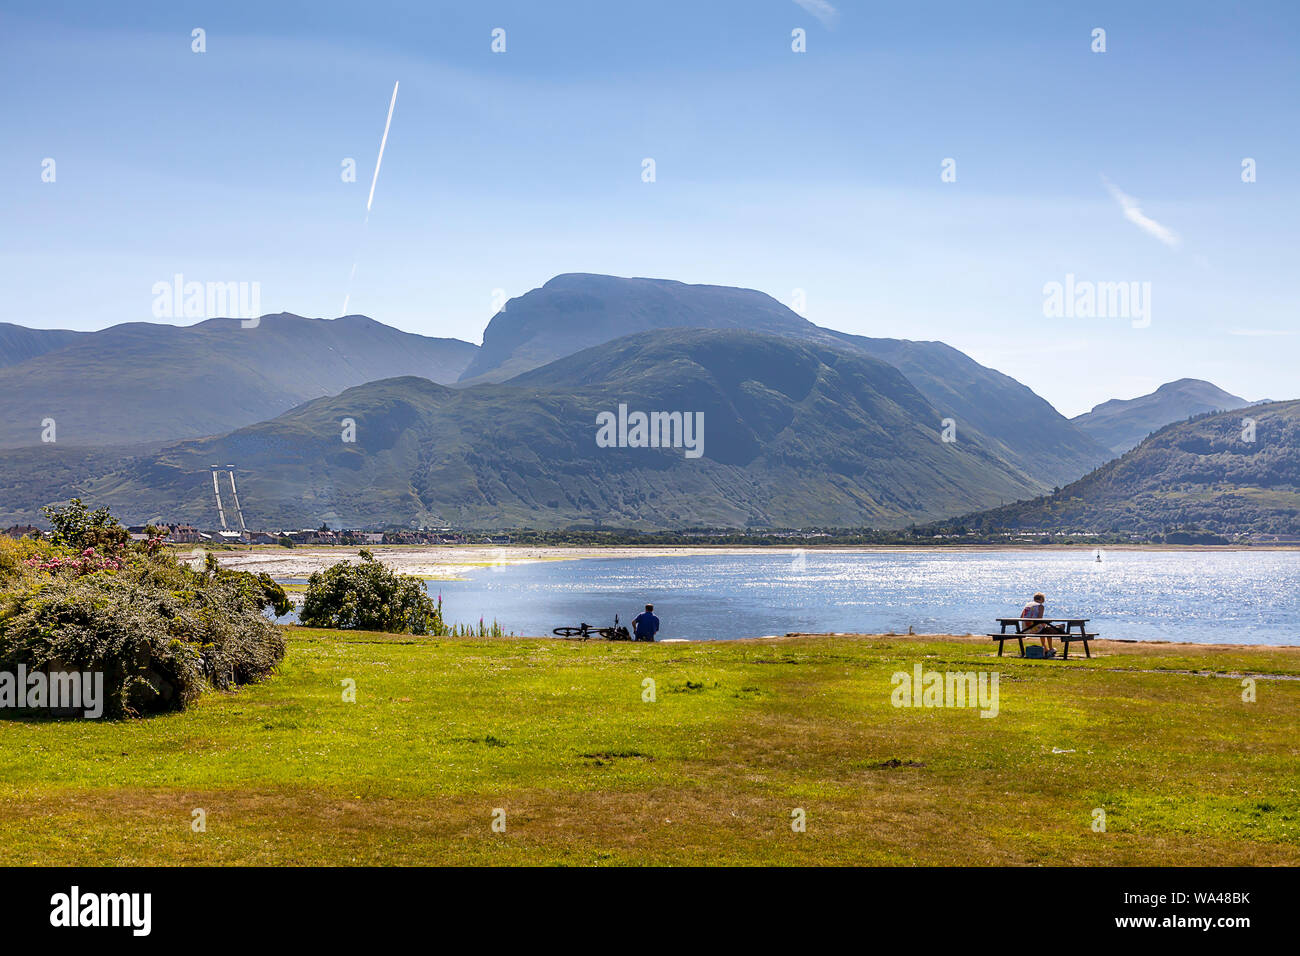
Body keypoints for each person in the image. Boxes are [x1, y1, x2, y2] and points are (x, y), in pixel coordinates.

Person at [1020, 592, 1061, 658]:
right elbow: (1039, 619)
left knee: (1043, 628)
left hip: (1025, 629)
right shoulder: (1040, 606)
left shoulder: (1027, 605)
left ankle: (1044, 647)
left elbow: (1021, 617)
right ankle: (1050, 649)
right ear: (1042, 599)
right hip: (1034, 629)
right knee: (1048, 629)